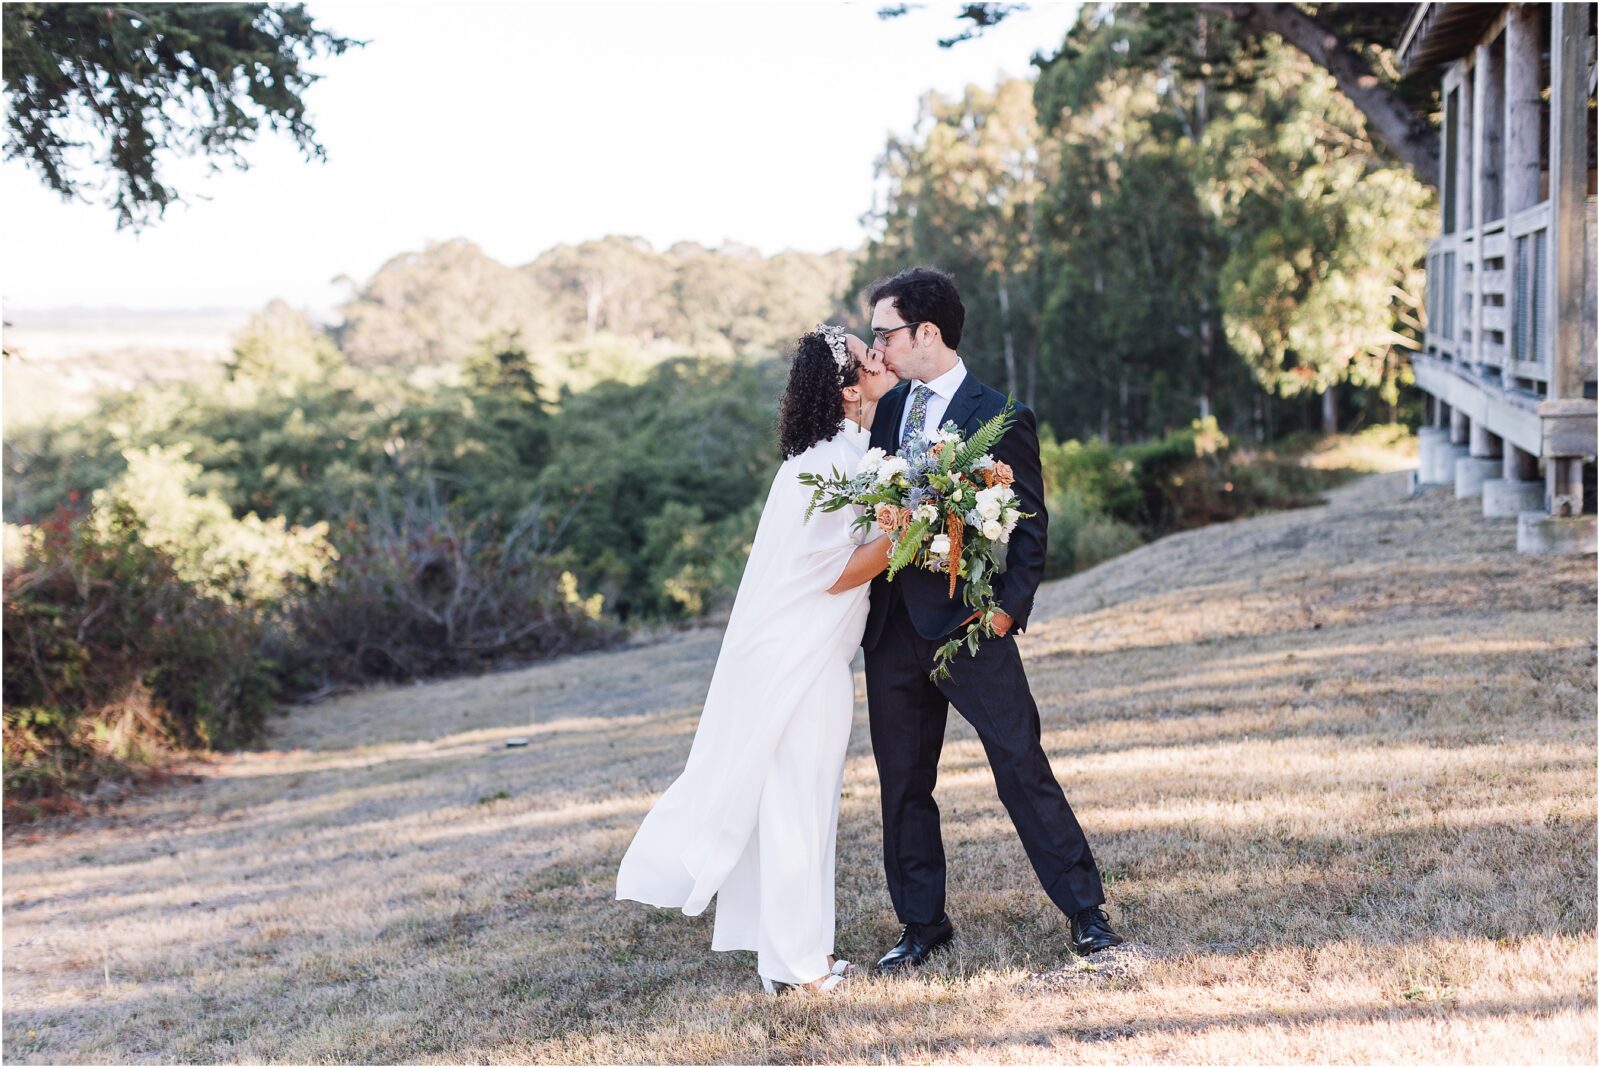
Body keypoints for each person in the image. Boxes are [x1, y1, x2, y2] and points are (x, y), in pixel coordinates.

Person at [615, 325, 898, 993]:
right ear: (850, 388)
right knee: (798, 808)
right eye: (867, 354)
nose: (881, 356)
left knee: (794, 807)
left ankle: (791, 958)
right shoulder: (829, 466)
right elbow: (838, 573)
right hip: (797, 663)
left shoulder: (837, 457)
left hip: (799, 655)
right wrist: (916, 527)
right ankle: (801, 968)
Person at [860, 266, 1123, 972]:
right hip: (892, 634)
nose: (877, 349)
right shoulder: (888, 411)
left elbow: (1030, 527)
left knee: (1020, 765)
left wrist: (1006, 613)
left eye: (885, 333)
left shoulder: (999, 413)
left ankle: (1086, 915)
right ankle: (921, 926)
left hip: (971, 628)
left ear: (927, 332)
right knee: (904, 783)